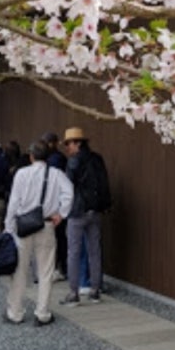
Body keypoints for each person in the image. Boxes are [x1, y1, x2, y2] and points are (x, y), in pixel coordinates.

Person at [3, 140, 73, 326]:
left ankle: (15, 312)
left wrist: (8, 227)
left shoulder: (21, 173)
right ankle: (42, 313)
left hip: (23, 226)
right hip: (47, 224)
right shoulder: (56, 174)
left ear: (31, 155)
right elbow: (69, 193)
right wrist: (61, 214)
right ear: (48, 156)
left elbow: (14, 202)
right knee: (46, 270)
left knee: (20, 270)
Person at [60, 126, 112, 307]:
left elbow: (67, 188)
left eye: (69, 144)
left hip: (77, 212)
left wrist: (62, 210)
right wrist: (105, 205)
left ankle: (73, 293)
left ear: (78, 143)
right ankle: (95, 290)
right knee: (94, 250)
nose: (67, 147)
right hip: (95, 211)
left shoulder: (73, 162)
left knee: (73, 252)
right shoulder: (97, 159)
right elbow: (104, 183)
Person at [42, 131, 68, 278]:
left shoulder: (55, 160)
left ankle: (60, 267)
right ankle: (60, 267)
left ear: (52, 143)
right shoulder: (57, 158)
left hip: (56, 203)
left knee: (57, 237)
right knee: (58, 237)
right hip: (57, 201)